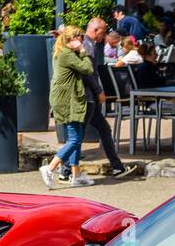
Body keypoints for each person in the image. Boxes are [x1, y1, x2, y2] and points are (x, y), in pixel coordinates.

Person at [81, 16, 137, 178]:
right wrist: (99, 91)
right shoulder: (88, 46)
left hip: (90, 96)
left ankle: (117, 166)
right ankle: (63, 169)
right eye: (104, 32)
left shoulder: (90, 44)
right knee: (78, 135)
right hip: (88, 97)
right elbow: (88, 73)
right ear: (95, 30)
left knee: (103, 129)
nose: (105, 36)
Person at [42, 26, 94, 189]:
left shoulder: (66, 52)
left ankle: (76, 175)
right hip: (66, 100)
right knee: (75, 139)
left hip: (70, 98)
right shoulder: (65, 54)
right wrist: (83, 50)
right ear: (71, 40)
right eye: (79, 38)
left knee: (76, 138)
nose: (82, 41)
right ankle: (50, 168)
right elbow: (88, 68)